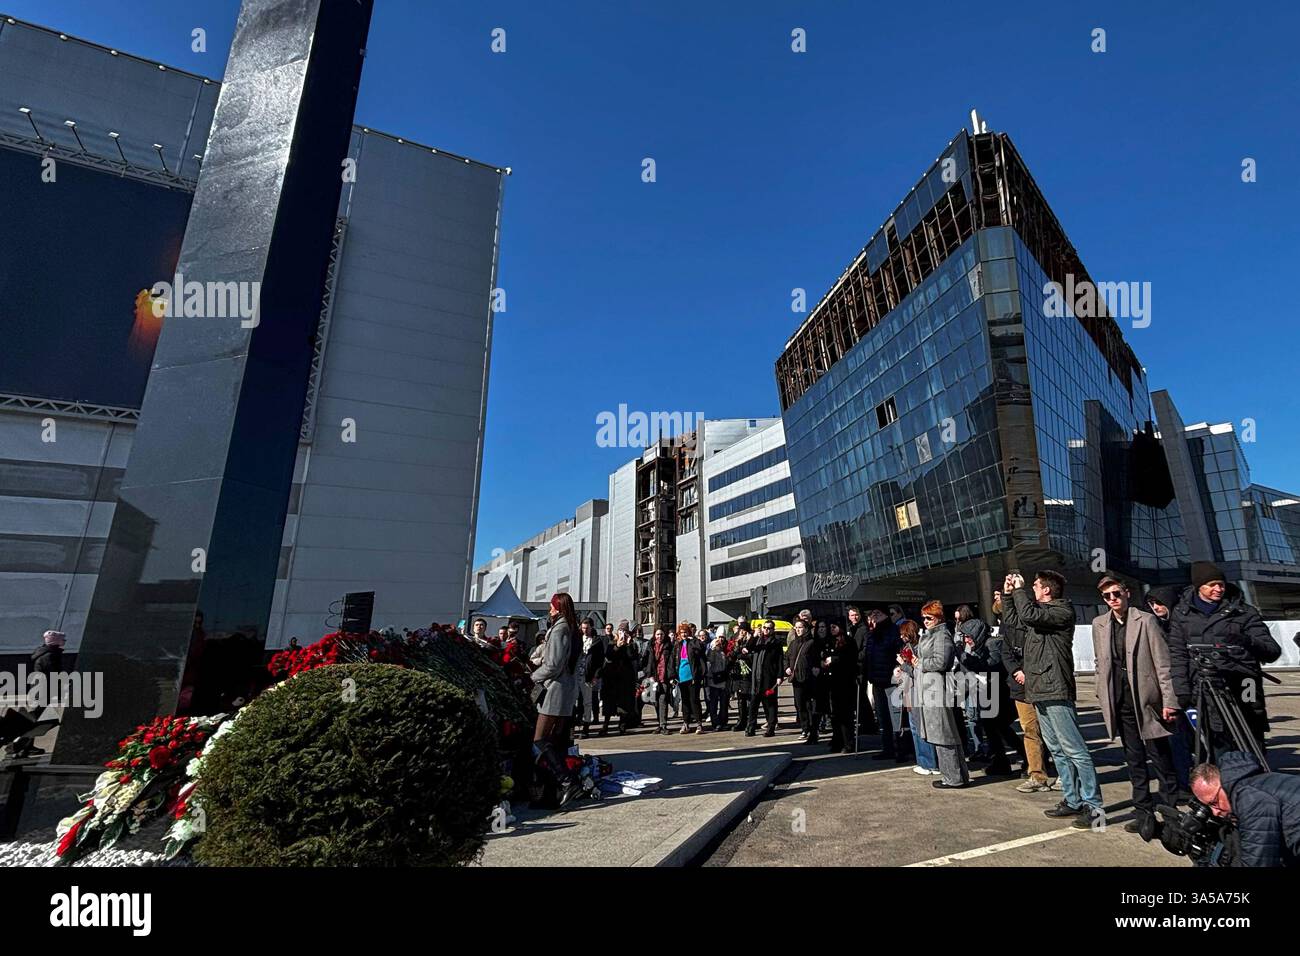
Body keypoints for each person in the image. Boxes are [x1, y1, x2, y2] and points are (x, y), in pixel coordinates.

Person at [1005, 570, 1102, 828]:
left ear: (1046, 590)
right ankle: (1072, 799)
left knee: (1075, 750)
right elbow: (1015, 619)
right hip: (1039, 689)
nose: (1033, 589)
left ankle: (1093, 805)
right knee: (1057, 749)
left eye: (1035, 586)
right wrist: (1008, 595)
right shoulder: (1039, 615)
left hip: (1056, 687)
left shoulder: (1061, 612)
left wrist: (1019, 591)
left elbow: (1028, 614)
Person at [1092, 575, 1181, 832]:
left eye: (1116, 594)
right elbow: (1100, 662)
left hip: (1147, 700)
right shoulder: (1100, 624)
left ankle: (1171, 812)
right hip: (1120, 702)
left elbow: (1163, 663)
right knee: (1134, 760)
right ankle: (1144, 814)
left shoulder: (1146, 620)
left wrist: (1169, 701)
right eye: (1107, 596)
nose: (1112, 600)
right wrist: (1101, 692)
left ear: (1127, 593)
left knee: (1160, 757)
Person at [1167, 562, 1281, 753]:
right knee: (1218, 741)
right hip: (1205, 686)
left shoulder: (1244, 611)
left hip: (1245, 682)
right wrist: (1182, 691)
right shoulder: (1182, 614)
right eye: (1212, 585)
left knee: (1250, 735)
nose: (1218, 589)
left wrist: (1246, 641)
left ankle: (1255, 775)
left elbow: (1272, 652)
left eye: (1221, 584)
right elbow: (1178, 655)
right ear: (1199, 587)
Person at [1191, 752, 1300, 866]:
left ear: (1222, 785)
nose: (1215, 811)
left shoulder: (1249, 799)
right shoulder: (1257, 782)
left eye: (1214, 802)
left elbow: (1258, 862)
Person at [996, 589, 1052, 792]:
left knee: (1051, 730)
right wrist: (1017, 671)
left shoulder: (1041, 623)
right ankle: (1036, 774)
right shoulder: (1011, 628)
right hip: (1020, 687)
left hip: (1044, 684)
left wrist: (1029, 672)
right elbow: (1006, 653)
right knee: (1030, 730)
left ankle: (1064, 773)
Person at [957, 608, 1023, 777]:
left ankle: (1025, 757)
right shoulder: (979, 645)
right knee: (993, 729)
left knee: (1000, 728)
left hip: (1002, 693)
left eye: (969, 636)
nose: (967, 640)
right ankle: (1002, 761)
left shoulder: (993, 643)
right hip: (989, 692)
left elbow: (990, 665)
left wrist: (966, 657)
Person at [531, 594, 583, 807]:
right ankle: (556, 788)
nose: (549, 610)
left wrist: (533, 676)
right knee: (556, 741)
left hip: (555, 689)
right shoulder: (572, 629)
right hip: (566, 688)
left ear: (558, 608)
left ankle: (566, 780)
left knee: (540, 738)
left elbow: (554, 664)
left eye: (552, 606)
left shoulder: (561, 629)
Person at [916, 601, 969, 789]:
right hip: (930, 689)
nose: (925, 621)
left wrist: (920, 663)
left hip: (937, 690)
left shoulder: (941, 634)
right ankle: (955, 775)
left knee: (943, 734)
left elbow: (941, 661)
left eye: (929, 618)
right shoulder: (932, 634)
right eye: (923, 618)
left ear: (938, 618)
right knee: (940, 734)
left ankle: (953, 777)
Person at [896, 621, 937, 775]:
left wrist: (903, 665)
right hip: (912, 690)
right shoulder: (915, 647)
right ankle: (926, 762)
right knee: (918, 727)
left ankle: (928, 763)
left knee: (919, 728)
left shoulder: (917, 648)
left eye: (904, 633)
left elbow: (917, 672)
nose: (901, 637)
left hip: (916, 691)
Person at [863, 610, 903, 759]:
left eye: (879, 614)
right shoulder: (873, 633)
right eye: (873, 615)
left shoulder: (893, 631)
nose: (875, 617)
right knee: (883, 717)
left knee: (896, 717)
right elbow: (869, 655)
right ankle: (887, 748)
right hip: (877, 680)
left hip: (891, 680)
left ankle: (900, 748)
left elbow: (898, 652)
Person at [953, 605, 988, 758]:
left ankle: (981, 747)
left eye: (959, 619)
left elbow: (968, 656)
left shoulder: (971, 634)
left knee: (975, 715)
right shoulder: (958, 632)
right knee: (971, 714)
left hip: (973, 676)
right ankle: (978, 747)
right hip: (963, 675)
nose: (957, 622)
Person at [823, 621, 858, 753]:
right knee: (835, 715)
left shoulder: (849, 641)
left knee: (846, 715)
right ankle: (837, 741)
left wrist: (835, 659)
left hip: (846, 682)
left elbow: (851, 659)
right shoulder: (830, 641)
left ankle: (848, 742)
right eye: (830, 627)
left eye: (834, 626)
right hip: (832, 682)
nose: (831, 629)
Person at [746, 620, 784, 737]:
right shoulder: (758, 641)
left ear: (773, 630)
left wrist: (779, 676)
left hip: (769, 678)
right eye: (765, 627)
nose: (766, 630)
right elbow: (748, 648)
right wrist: (754, 636)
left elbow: (780, 661)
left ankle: (771, 727)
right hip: (756, 679)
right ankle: (750, 728)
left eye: (769, 628)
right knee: (753, 705)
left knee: (770, 705)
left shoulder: (776, 643)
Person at [785, 618, 820, 744]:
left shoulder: (811, 642)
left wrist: (816, 668)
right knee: (800, 705)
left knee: (809, 705)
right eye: (796, 627)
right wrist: (787, 668)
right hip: (796, 679)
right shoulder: (793, 643)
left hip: (808, 677)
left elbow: (816, 658)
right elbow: (787, 658)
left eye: (800, 627)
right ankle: (805, 728)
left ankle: (812, 729)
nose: (798, 630)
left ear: (806, 629)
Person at [598, 630, 637, 736]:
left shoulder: (631, 645)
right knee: (609, 704)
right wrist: (618, 646)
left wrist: (628, 644)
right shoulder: (612, 643)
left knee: (624, 705)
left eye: (625, 633)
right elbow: (609, 656)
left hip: (625, 680)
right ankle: (605, 726)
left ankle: (622, 726)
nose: (623, 635)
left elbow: (632, 657)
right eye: (621, 632)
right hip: (611, 679)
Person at [674, 622, 708, 734]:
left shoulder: (693, 642)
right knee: (685, 701)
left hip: (692, 676)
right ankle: (686, 723)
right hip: (681, 676)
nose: (683, 634)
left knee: (694, 700)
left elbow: (701, 647)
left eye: (685, 632)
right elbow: (674, 661)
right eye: (682, 633)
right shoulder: (678, 645)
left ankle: (699, 724)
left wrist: (692, 639)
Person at [575, 618, 606, 739]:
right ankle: (573, 725)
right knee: (574, 701)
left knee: (587, 702)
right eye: (583, 628)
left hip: (588, 675)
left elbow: (600, 661)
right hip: (576, 673)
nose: (585, 630)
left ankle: (586, 726)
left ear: (592, 627)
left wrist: (596, 676)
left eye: (587, 628)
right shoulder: (578, 639)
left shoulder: (597, 641)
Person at [643, 627, 675, 734]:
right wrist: (648, 673)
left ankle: (663, 725)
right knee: (655, 701)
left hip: (664, 677)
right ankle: (659, 724)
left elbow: (671, 662)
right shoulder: (650, 646)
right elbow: (645, 661)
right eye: (657, 634)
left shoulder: (668, 646)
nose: (659, 636)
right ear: (654, 635)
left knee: (663, 700)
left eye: (661, 634)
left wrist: (671, 677)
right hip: (653, 677)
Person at [729, 624, 753, 732]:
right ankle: (741, 720)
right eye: (740, 630)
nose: (742, 632)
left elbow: (751, 656)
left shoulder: (751, 641)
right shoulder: (737, 642)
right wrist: (738, 648)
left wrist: (742, 652)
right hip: (738, 674)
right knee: (740, 699)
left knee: (748, 698)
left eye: (744, 630)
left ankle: (749, 721)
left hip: (748, 674)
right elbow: (732, 655)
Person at [705, 635, 731, 730]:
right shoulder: (711, 651)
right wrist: (712, 648)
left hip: (723, 680)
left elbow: (725, 665)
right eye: (717, 642)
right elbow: (709, 660)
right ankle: (715, 723)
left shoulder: (723, 652)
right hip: (713, 680)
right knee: (713, 704)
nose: (719, 643)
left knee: (724, 703)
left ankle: (723, 722)